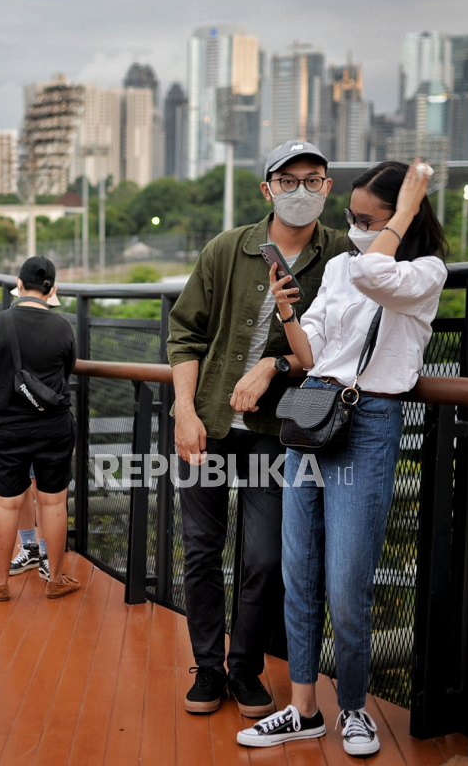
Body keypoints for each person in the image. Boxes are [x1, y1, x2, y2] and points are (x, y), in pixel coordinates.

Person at [238, 160, 447, 756]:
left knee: (349, 583)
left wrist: (403, 213)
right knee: (298, 573)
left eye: (366, 219)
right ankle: (303, 709)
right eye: (350, 216)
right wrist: (286, 313)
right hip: (313, 418)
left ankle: (354, 707)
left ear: (403, 222)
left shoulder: (424, 272)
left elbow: (379, 272)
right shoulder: (337, 266)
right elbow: (311, 352)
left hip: (370, 422)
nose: (352, 227)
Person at [167, 140, 352, 718]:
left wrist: (273, 365)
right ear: (267, 188)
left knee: (266, 557)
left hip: (279, 432)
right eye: (289, 179)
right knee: (200, 549)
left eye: (314, 179)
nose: (302, 190)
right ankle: (208, 667)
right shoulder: (228, 248)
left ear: (329, 187)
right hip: (209, 425)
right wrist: (185, 410)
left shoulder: (342, 258)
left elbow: (332, 350)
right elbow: (185, 334)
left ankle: (245, 668)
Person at [0, 256, 80, 601]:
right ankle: (56, 579)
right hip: (53, 428)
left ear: (18, 284)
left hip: (6, 428)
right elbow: (67, 371)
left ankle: (0, 583)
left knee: (8, 505)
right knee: (54, 502)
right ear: (52, 290)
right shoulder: (63, 327)